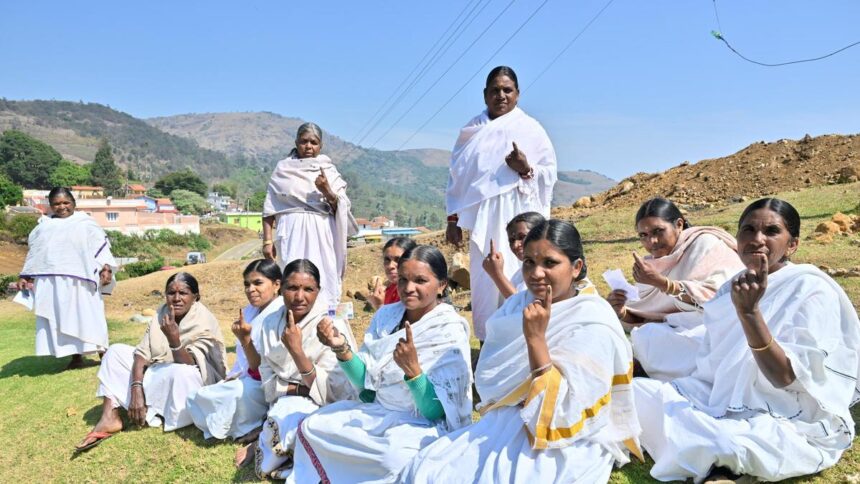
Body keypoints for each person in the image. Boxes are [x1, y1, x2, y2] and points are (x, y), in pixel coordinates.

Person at [633, 198, 860, 482]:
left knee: (744, 437)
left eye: (772, 231)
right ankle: (710, 457)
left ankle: (717, 463)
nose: (757, 239)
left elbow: (786, 378)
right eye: (748, 230)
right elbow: (713, 365)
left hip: (781, 409)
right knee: (635, 394)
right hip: (719, 395)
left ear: (792, 245)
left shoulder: (809, 288)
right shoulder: (733, 285)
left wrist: (750, 313)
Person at [403, 220, 641, 483]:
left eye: (549, 263)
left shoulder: (592, 316)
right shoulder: (517, 304)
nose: (536, 273)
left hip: (562, 433)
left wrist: (536, 339)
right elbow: (491, 372)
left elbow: (567, 407)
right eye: (528, 262)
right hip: (506, 417)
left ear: (576, 268)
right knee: (431, 469)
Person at [287, 245, 472, 483]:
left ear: (442, 285)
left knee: (392, 459)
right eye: (403, 280)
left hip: (420, 423)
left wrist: (413, 372)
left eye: (420, 280)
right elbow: (365, 383)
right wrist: (340, 347)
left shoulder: (449, 328)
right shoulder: (386, 315)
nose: (408, 288)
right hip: (378, 412)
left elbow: (438, 411)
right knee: (313, 426)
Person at [446, 66, 557, 341]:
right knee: (485, 280)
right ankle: (487, 341)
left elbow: (549, 174)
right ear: (485, 95)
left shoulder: (531, 129)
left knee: (519, 271)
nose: (501, 95)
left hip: (519, 213)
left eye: (507, 90)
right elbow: (457, 178)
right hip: (483, 219)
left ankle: (525, 337)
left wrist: (525, 168)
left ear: (517, 94)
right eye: (495, 90)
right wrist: (452, 219)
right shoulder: (471, 133)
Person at [75, 272, 227, 451]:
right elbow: (142, 353)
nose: (176, 298)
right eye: (171, 293)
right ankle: (110, 416)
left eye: (183, 293)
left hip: (191, 380)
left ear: (195, 297)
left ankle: (156, 410)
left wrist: (174, 340)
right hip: (161, 370)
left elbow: (192, 364)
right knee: (114, 352)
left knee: (180, 372)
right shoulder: (162, 312)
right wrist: (136, 388)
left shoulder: (204, 319)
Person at [606, 197, 744, 381]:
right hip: (677, 331)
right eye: (643, 235)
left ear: (679, 225)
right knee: (646, 335)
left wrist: (664, 284)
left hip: (718, 327)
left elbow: (719, 297)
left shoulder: (705, 244)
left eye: (658, 231)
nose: (652, 241)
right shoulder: (653, 265)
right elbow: (650, 314)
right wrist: (622, 311)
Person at [254, 259, 358, 479]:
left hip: (326, 406)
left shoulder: (331, 325)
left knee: (295, 419)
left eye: (308, 289)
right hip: (282, 399)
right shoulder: (270, 323)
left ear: (318, 291)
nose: (300, 297)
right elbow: (266, 374)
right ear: (280, 288)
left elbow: (337, 389)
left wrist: (297, 351)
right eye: (292, 288)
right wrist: (293, 389)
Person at [17, 187, 117, 370]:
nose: (62, 207)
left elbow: (102, 249)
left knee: (90, 315)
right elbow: (35, 253)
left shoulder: (86, 223)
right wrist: (26, 274)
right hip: (52, 281)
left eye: (66, 202)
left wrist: (107, 268)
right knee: (62, 318)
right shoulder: (43, 227)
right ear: (50, 205)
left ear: (74, 203)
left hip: (82, 279)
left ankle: (104, 353)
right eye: (56, 204)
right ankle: (75, 357)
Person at [186, 259, 284, 443]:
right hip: (246, 377)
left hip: (268, 384)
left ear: (277, 284)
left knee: (230, 395)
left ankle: (253, 422)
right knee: (199, 396)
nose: (250, 289)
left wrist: (245, 339)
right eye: (247, 284)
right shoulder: (249, 311)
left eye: (258, 283)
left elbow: (260, 368)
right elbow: (243, 363)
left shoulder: (281, 313)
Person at [262, 122, 358, 305]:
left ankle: (326, 317)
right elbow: (270, 206)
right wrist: (267, 240)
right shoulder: (283, 169)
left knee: (324, 273)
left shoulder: (328, 169)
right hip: (291, 231)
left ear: (320, 146)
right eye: (304, 141)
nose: (308, 146)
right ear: (296, 142)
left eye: (313, 142)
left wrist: (326, 190)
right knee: (291, 272)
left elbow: (342, 207)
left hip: (322, 231)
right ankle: (292, 317)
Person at [482, 211, 546, 301]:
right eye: (511, 240)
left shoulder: (546, 269)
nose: (515, 245)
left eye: (522, 237)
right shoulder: (520, 274)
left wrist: (497, 274)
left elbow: (521, 305)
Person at [367, 237, 418, 310]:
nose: (390, 266)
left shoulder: (413, 293)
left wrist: (379, 306)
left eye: (398, 260)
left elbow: (395, 320)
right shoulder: (391, 289)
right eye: (387, 260)